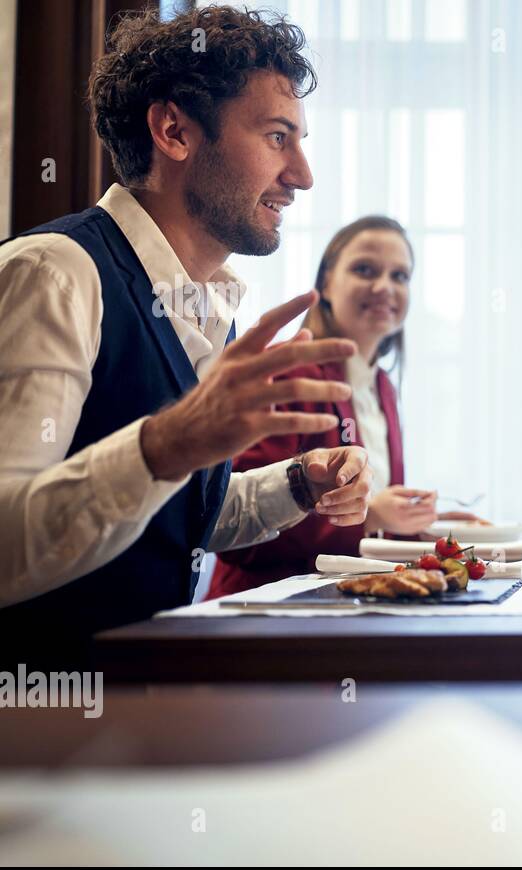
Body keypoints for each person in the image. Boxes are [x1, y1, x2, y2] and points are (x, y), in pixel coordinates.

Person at [0, 6, 373, 665]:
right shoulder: (56, 275)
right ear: (173, 131)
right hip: (37, 713)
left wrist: (298, 482)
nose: (302, 175)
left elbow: (174, 512)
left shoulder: (210, 308)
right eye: (277, 137)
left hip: (140, 701)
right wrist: (166, 443)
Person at [208, 217, 481, 597]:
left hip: (349, 607)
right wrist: (370, 517)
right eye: (365, 269)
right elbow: (229, 527)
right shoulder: (287, 373)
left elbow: (371, 523)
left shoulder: (383, 388)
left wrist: (420, 526)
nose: (384, 287)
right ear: (326, 283)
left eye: (400, 276)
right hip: (268, 609)